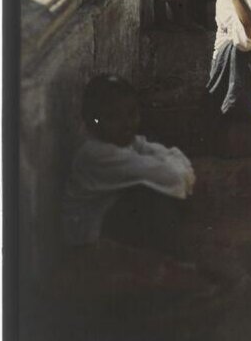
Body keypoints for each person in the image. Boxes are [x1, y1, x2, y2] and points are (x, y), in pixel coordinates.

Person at [65, 74, 196, 251]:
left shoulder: (125, 140)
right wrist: (178, 171)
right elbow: (175, 175)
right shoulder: (97, 153)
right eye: (113, 117)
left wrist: (178, 171)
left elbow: (174, 164)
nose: (127, 124)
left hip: (106, 216)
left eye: (132, 113)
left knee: (159, 186)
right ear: (93, 122)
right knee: (155, 198)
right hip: (88, 239)